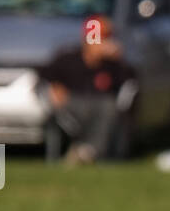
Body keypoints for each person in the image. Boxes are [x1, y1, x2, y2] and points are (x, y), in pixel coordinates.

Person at [41, 15, 137, 164]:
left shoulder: (112, 65)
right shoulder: (68, 58)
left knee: (108, 106)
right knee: (102, 108)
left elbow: (129, 83)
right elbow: (46, 77)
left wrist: (120, 59)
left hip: (101, 107)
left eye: (106, 38)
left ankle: (87, 152)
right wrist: (55, 88)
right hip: (71, 105)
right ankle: (87, 152)